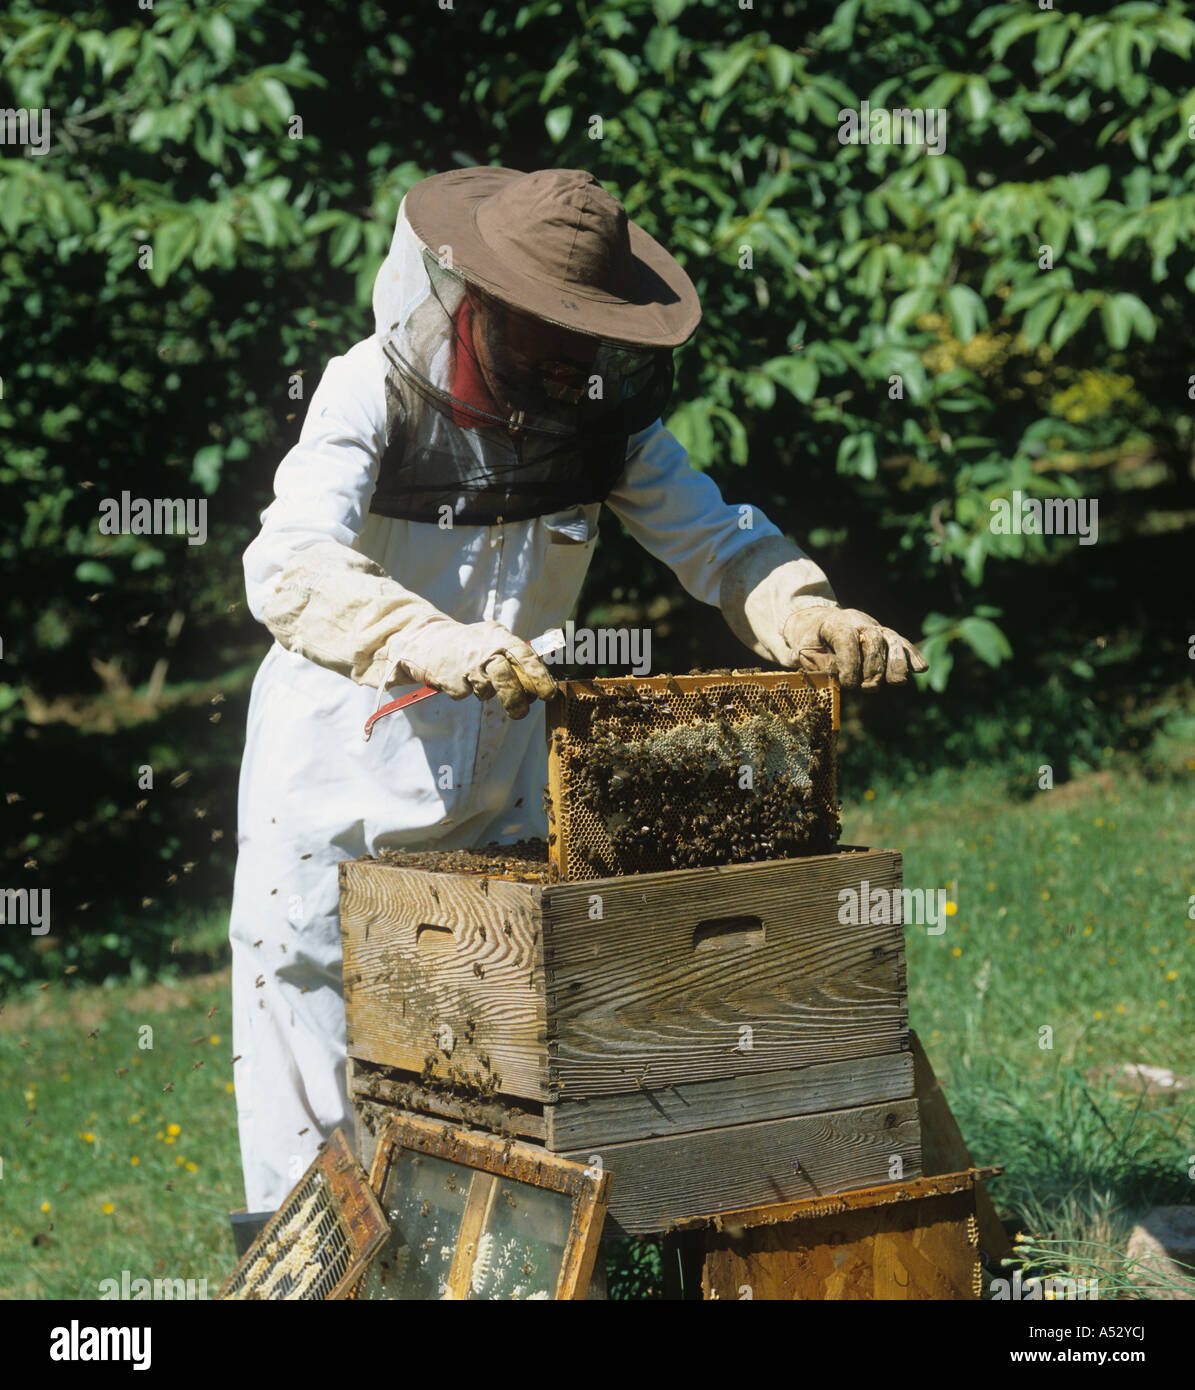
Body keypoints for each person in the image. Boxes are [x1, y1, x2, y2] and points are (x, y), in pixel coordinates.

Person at [227, 166, 926, 1245]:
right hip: (334, 787)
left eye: (584, 333)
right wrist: (423, 637)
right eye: (544, 328)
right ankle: (298, 1266)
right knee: (308, 1065)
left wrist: (803, 610)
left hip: (505, 790)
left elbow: (718, 535)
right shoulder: (369, 387)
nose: (565, 357)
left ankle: (497, 1264)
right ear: (480, 300)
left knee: (495, 1053)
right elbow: (286, 562)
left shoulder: (604, 420)